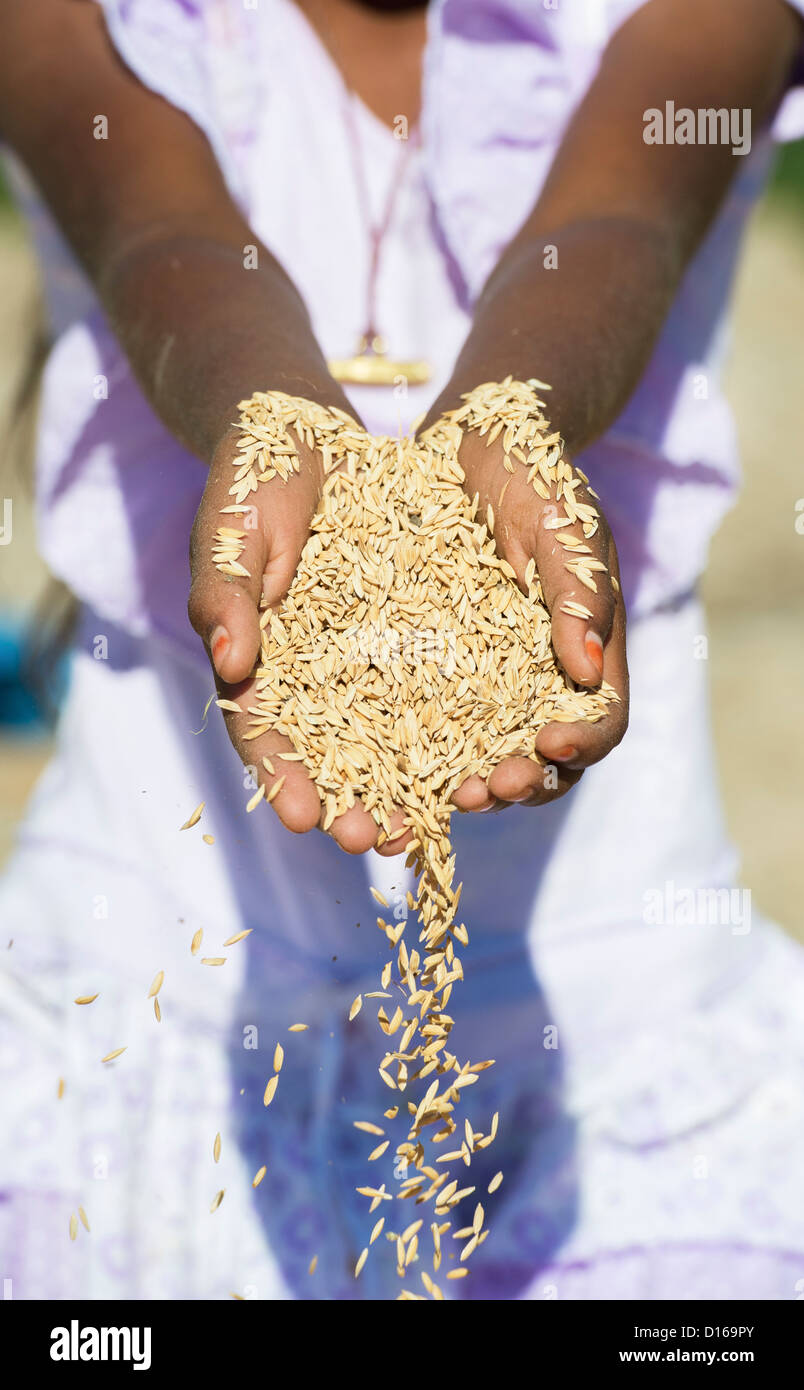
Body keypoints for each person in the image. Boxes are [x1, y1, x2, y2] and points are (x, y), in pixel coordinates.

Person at [1, 0, 803, 1301]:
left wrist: (516, 408)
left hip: (619, 1044)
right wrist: (267, 411)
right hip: (142, 1021)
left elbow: (618, 220)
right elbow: (161, 225)